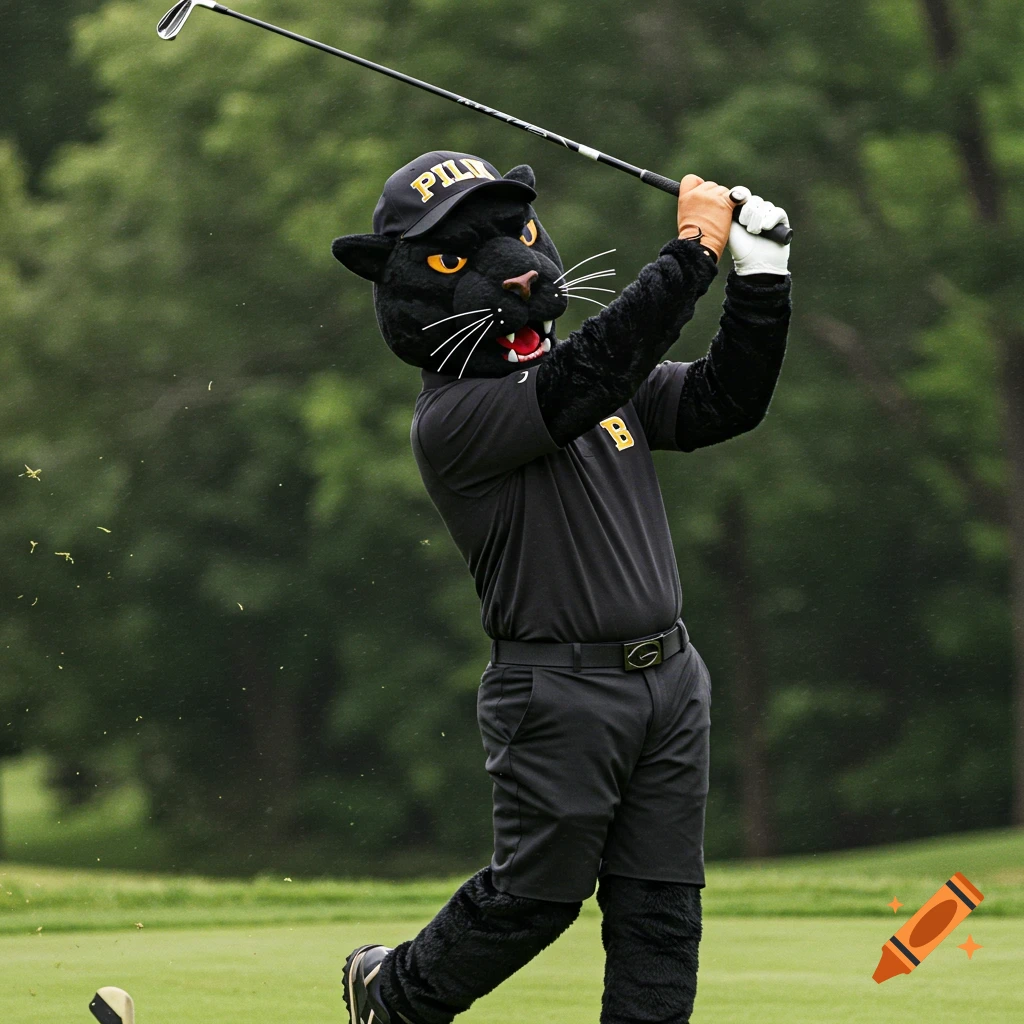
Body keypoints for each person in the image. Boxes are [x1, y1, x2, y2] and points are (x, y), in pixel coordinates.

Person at [331, 151, 792, 1024]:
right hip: (557, 691)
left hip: (670, 682)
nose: (516, 266)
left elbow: (720, 403)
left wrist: (759, 282)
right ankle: (391, 996)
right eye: (456, 258)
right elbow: (588, 375)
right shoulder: (457, 418)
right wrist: (692, 248)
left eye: (518, 234)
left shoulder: (589, 382)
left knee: (661, 912)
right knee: (533, 900)